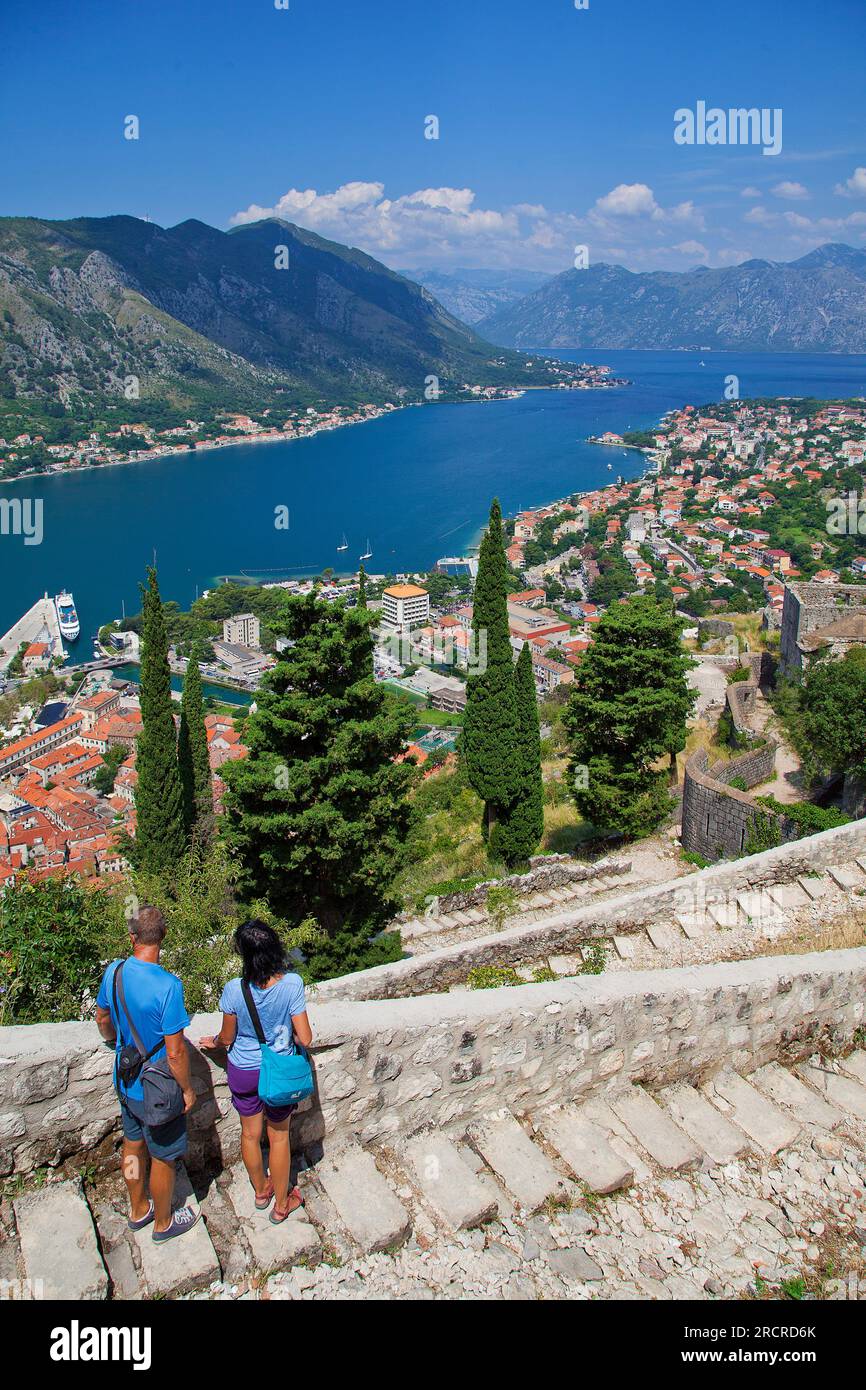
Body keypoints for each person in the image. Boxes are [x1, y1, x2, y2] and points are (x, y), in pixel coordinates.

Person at [95, 906, 199, 1242]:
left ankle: (138, 1208)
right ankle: (164, 1222)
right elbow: (175, 1051)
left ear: (132, 937)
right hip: (157, 1090)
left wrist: (114, 1041)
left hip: (125, 1082)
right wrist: (186, 1089)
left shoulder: (114, 971)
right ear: (163, 938)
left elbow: (102, 1019)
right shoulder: (169, 986)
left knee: (132, 1147)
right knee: (164, 1157)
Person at [198, 920, 312, 1224]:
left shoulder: (235, 990)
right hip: (278, 1073)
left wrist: (215, 1042)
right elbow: (306, 1037)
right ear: (274, 947)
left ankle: (261, 1190)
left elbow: (228, 1037)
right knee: (279, 1138)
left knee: (249, 1135)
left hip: (244, 1070)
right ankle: (281, 1202)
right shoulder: (292, 985)